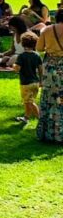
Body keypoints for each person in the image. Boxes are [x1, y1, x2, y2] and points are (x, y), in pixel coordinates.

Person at [34, 8, 63, 144]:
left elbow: (39, 48)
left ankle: (48, 133)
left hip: (51, 66)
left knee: (50, 98)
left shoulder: (47, 30)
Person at [15, 31, 42, 125]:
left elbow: (17, 69)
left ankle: (40, 119)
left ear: (23, 43)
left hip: (26, 83)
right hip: (35, 83)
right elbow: (40, 69)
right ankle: (26, 118)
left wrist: (14, 66)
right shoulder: (37, 55)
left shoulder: (21, 56)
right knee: (27, 101)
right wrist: (41, 81)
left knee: (30, 102)